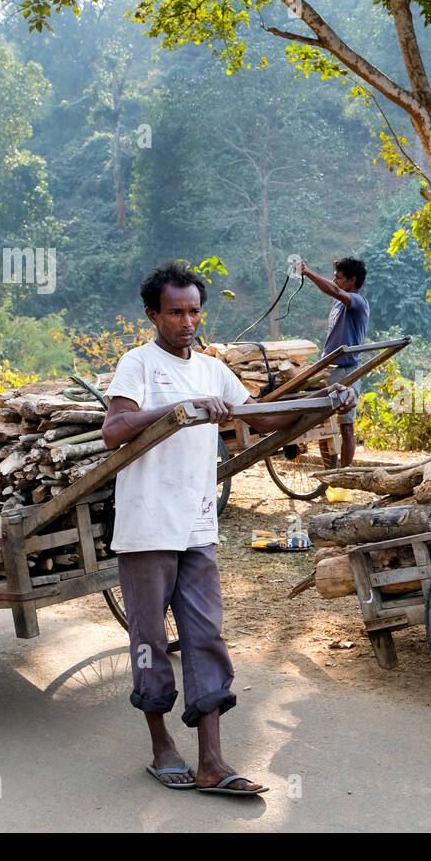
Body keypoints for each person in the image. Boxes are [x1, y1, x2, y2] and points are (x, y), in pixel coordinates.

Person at [101, 261, 355, 794]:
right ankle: (161, 744)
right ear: (153, 315)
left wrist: (327, 402)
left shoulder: (214, 369)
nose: (187, 321)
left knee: (206, 635)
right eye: (175, 313)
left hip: (197, 527)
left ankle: (213, 760)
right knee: (149, 638)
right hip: (147, 528)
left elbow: (261, 418)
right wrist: (178, 407)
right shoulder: (137, 365)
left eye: (194, 311)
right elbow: (114, 430)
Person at [297, 256, 369, 467]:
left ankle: (344, 474)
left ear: (352, 281)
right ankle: (329, 473)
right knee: (322, 426)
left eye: (339, 277)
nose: (335, 280)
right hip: (329, 370)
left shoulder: (357, 302)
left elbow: (336, 291)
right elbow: (336, 293)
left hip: (348, 372)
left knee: (346, 426)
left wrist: (308, 273)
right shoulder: (339, 304)